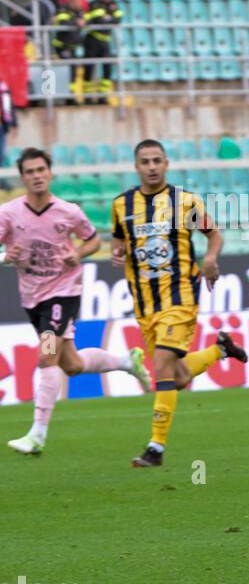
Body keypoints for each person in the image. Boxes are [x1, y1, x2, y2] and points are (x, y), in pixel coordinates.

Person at [2, 148, 151, 455]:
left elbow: (93, 239)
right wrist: (5, 256)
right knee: (71, 364)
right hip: (33, 296)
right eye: (30, 171)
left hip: (64, 292)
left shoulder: (68, 211)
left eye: (41, 169)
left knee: (46, 356)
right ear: (23, 177)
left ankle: (37, 436)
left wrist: (78, 253)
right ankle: (126, 362)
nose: (36, 176)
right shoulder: (8, 213)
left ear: (50, 173)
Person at [109, 140, 248, 468]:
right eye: (145, 161)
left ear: (167, 163)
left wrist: (211, 259)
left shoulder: (185, 201)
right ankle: (221, 350)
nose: (152, 166)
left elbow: (214, 234)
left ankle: (155, 447)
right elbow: (117, 242)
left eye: (157, 160)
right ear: (136, 166)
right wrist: (117, 253)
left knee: (160, 366)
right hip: (145, 304)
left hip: (181, 297)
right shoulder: (121, 205)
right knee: (179, 376)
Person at [83, 0, 122, 104]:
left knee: (107, 68)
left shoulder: (113, 4)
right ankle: (87, 96)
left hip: (105, 41)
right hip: (92, 39)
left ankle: (103, 95)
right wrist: (108, 18)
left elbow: (118, 18)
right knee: (89, 67)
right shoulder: (95, 3)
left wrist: (108, 18)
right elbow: (96, 19)